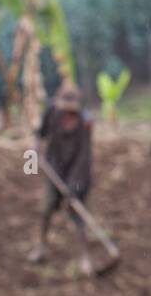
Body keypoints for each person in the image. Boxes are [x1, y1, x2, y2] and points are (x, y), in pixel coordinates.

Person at [28, 82, 100, 275]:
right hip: (54, 167)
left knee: (78, 214)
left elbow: (84, 157)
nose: (68, 114)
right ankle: (41, 247)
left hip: (77, 172)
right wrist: (35, 148)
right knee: (46, 208)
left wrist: (74, 186)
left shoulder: (85, 122)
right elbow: (39, 133)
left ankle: (85, 256)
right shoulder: (51, 112)